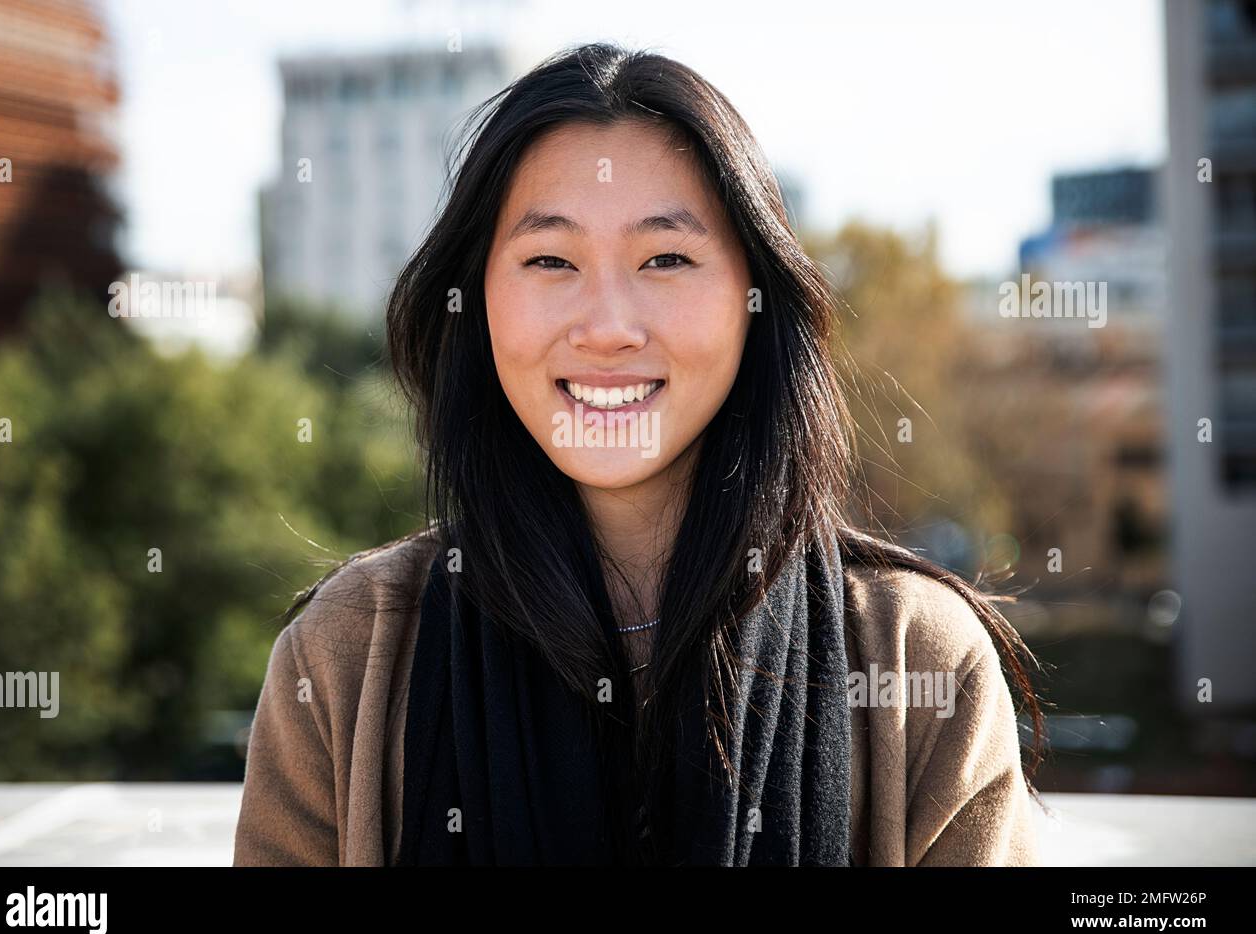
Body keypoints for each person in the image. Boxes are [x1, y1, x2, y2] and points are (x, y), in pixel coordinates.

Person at [233, 42, 1044, 867]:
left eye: (666, 259)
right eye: (550, 260)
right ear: (476, 303)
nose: (609, 326)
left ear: (755, 300)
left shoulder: (916, 660)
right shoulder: (349, 658)